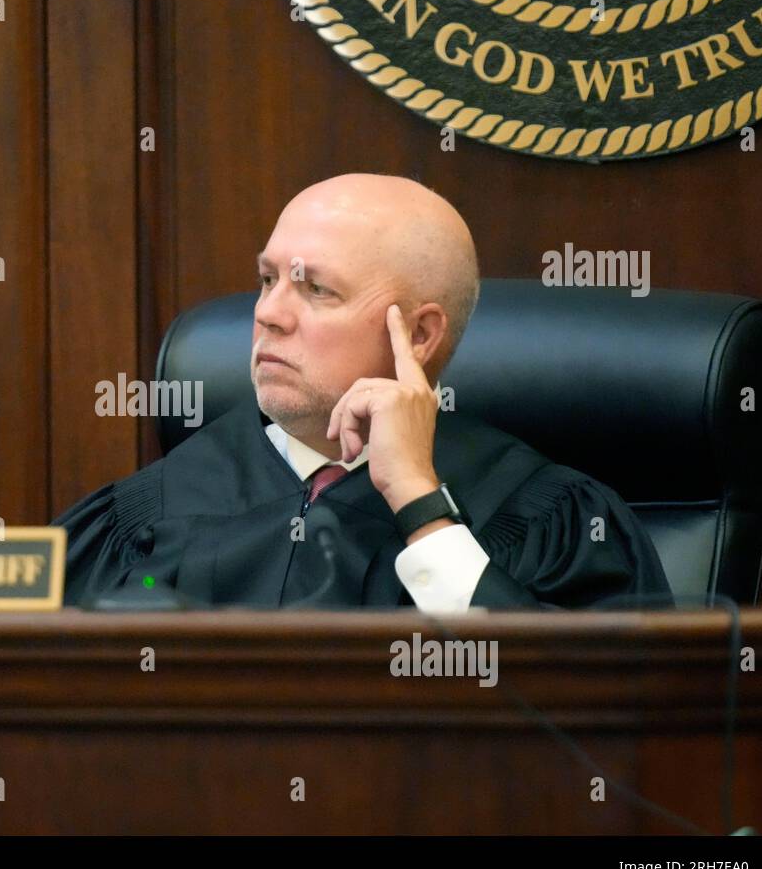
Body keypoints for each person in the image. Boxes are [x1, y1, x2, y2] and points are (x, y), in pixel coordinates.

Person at [54, 174, 672, 611]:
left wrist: (419, 504)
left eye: (317, 290)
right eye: (267, 279)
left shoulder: (546, 515)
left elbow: (590, 738)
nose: (268, 313)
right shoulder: (143, 514)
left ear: (421, 334)